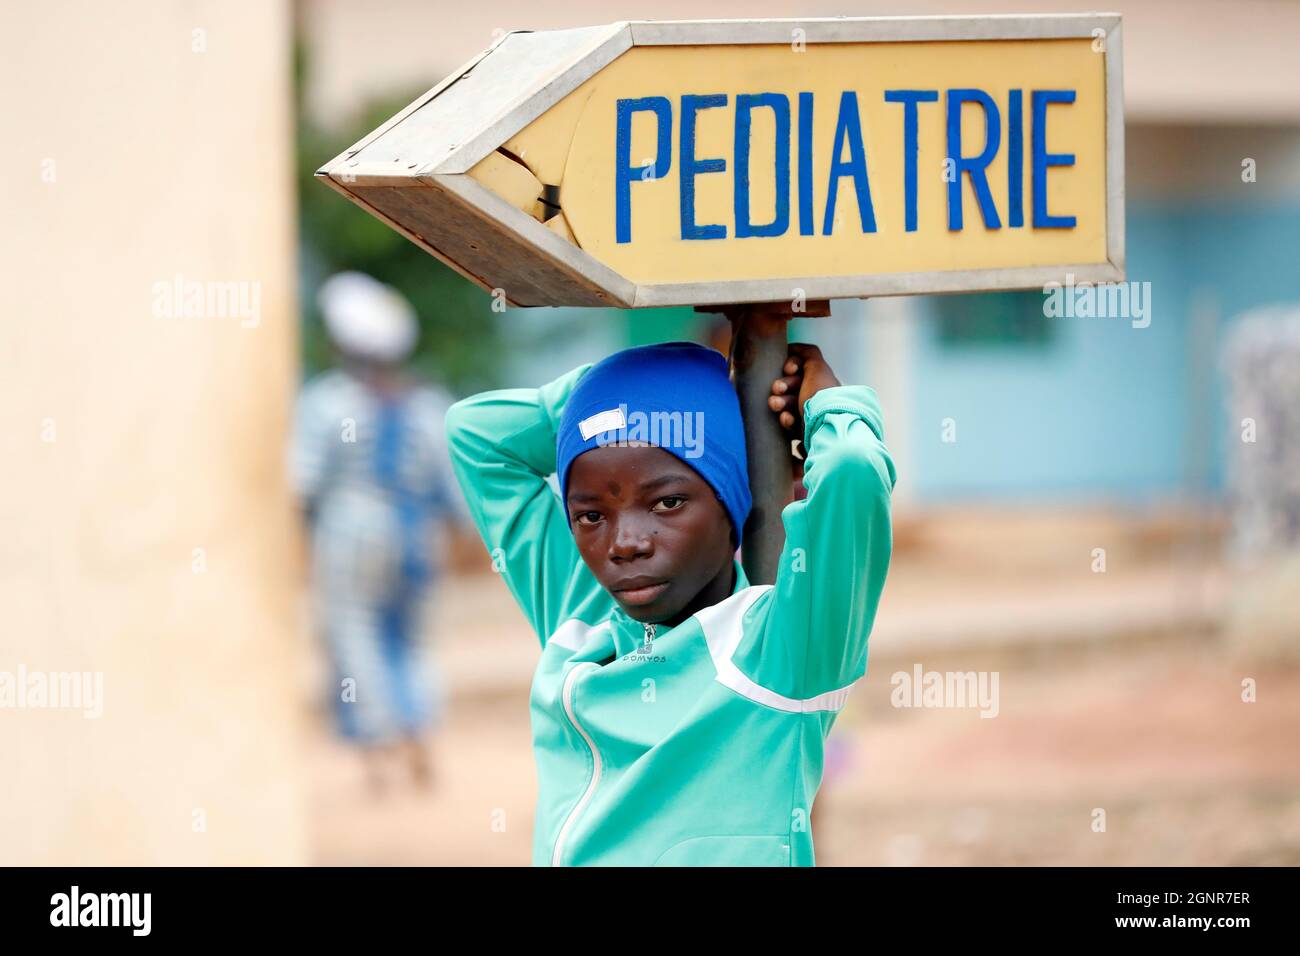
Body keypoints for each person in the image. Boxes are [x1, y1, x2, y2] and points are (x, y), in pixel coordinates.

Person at [445, 339, 895, 865]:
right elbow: (473, 433)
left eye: (667, 502)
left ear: (732, 501)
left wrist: (828, 408)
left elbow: (852, 467)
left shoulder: (783, 651)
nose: (624, 543)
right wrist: (619, 396)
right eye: (591, 515)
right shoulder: (582, 620)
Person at [290, 271, 458, 795]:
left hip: (349, 534)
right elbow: (450, 485)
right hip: (415, 536)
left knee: (353, 637)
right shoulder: (426, 403)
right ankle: (419, 731)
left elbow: (305, 481)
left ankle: (378, 750)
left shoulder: (327, 402)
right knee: (409, 640)